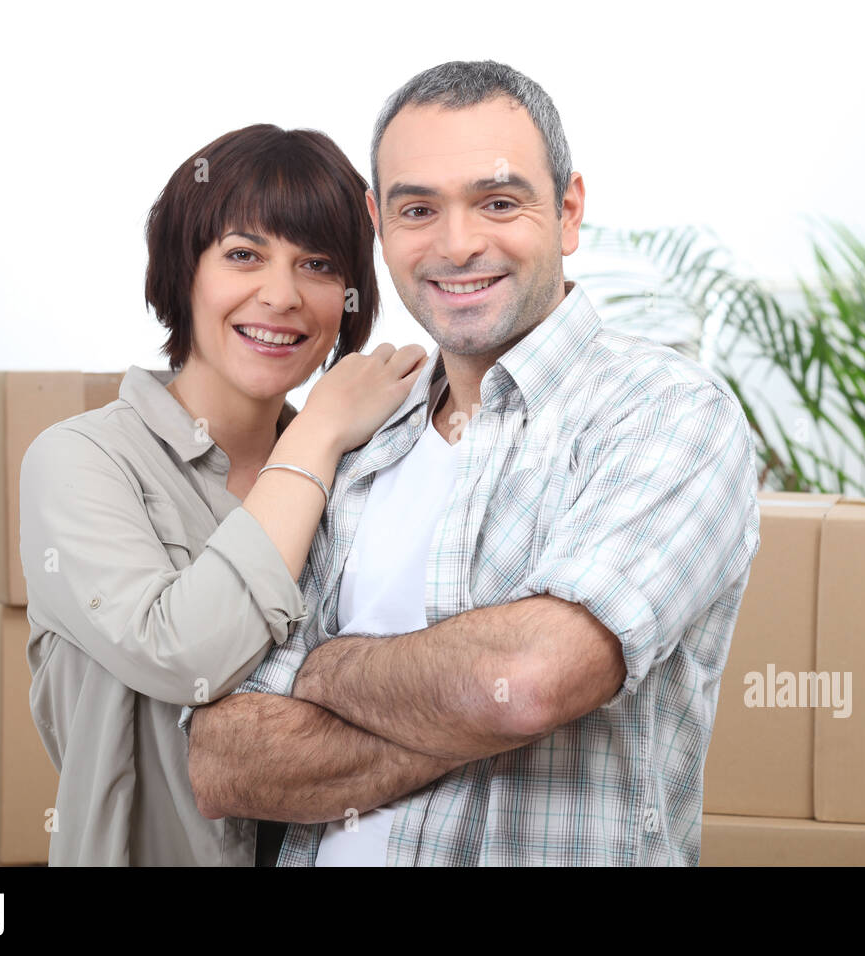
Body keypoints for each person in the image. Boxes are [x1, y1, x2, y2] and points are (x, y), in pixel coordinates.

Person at [184, 61, 762, 866]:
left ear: (566, 212)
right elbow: (221, 759)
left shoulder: (665, 413)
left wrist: (320, 669)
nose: (457, 245)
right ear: (379, 223)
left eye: (497, 202)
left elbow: (528, 681)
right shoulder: (358, 439)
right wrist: (464, 700)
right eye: (419, 208)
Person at [19, 123, 427, 865]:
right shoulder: (81, 463)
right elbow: (186, 655)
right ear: (185, 271)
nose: (282, 295)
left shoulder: (366, 474)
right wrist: (319, 433)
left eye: (318, 264)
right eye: (243, 255)